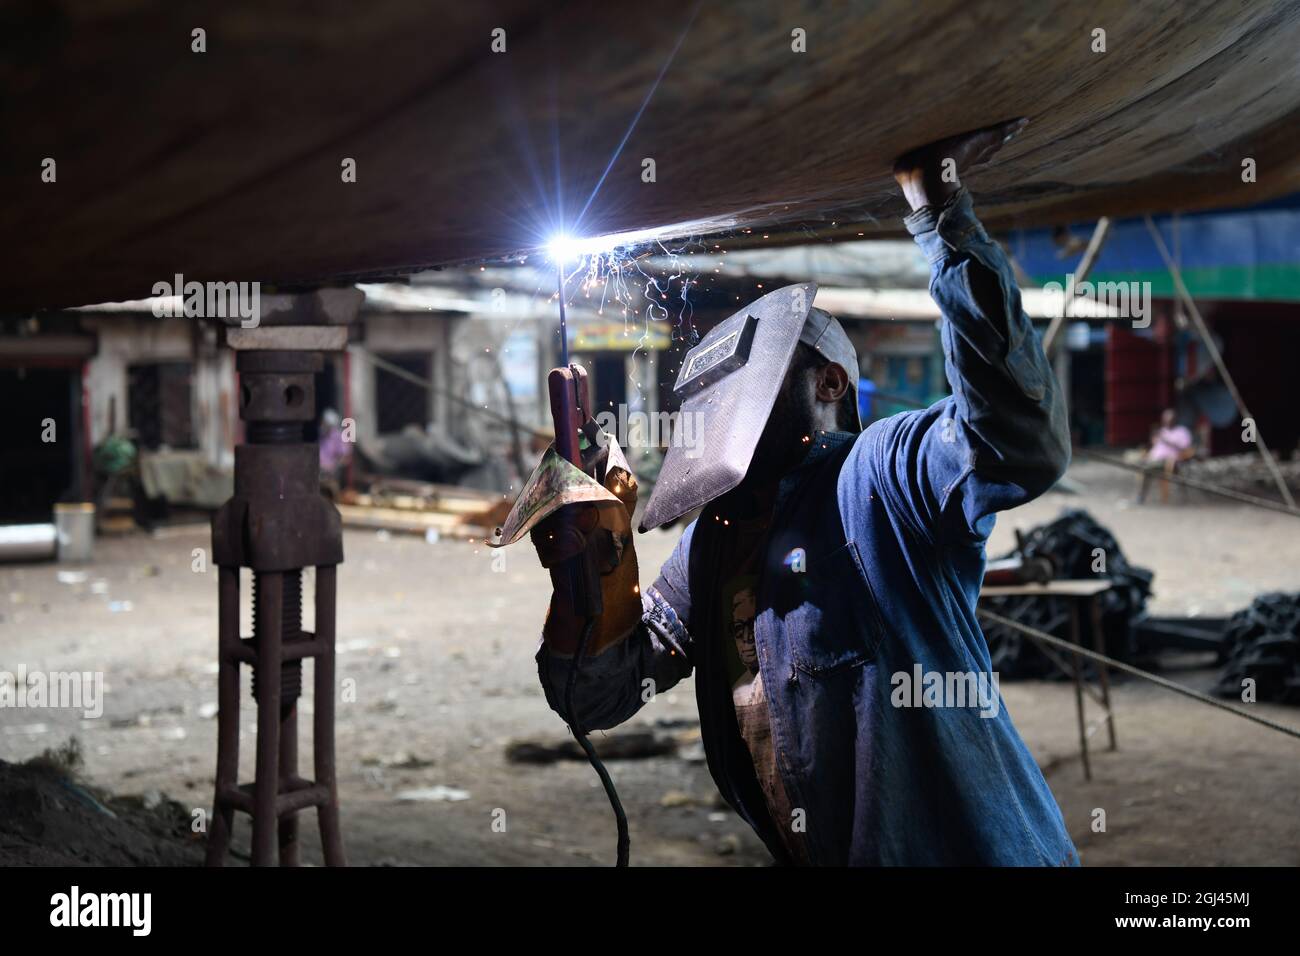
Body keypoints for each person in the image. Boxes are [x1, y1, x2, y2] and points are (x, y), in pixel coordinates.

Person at [530, 121, 1078, 865]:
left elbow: (1017, 440)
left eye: (745, 388)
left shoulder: (879, 479)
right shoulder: (713, 542)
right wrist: (592, 566)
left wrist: (941, 218)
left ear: (828, 384)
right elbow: (594, 699)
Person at [1137, 408, 1194, 504]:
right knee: (1143, 467)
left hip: (1172, 461)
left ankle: (1141, 497)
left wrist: (1168, 442)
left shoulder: (1182, 431)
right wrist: (1154, 439)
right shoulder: (1162, 431)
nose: (1167, 421)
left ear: (1175, 419)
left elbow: (1186, 449)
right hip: (1155, 459)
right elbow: (1155, 446)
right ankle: (1141, 496)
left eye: (1169, 419)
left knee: (1147, 470)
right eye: (1165, 419)